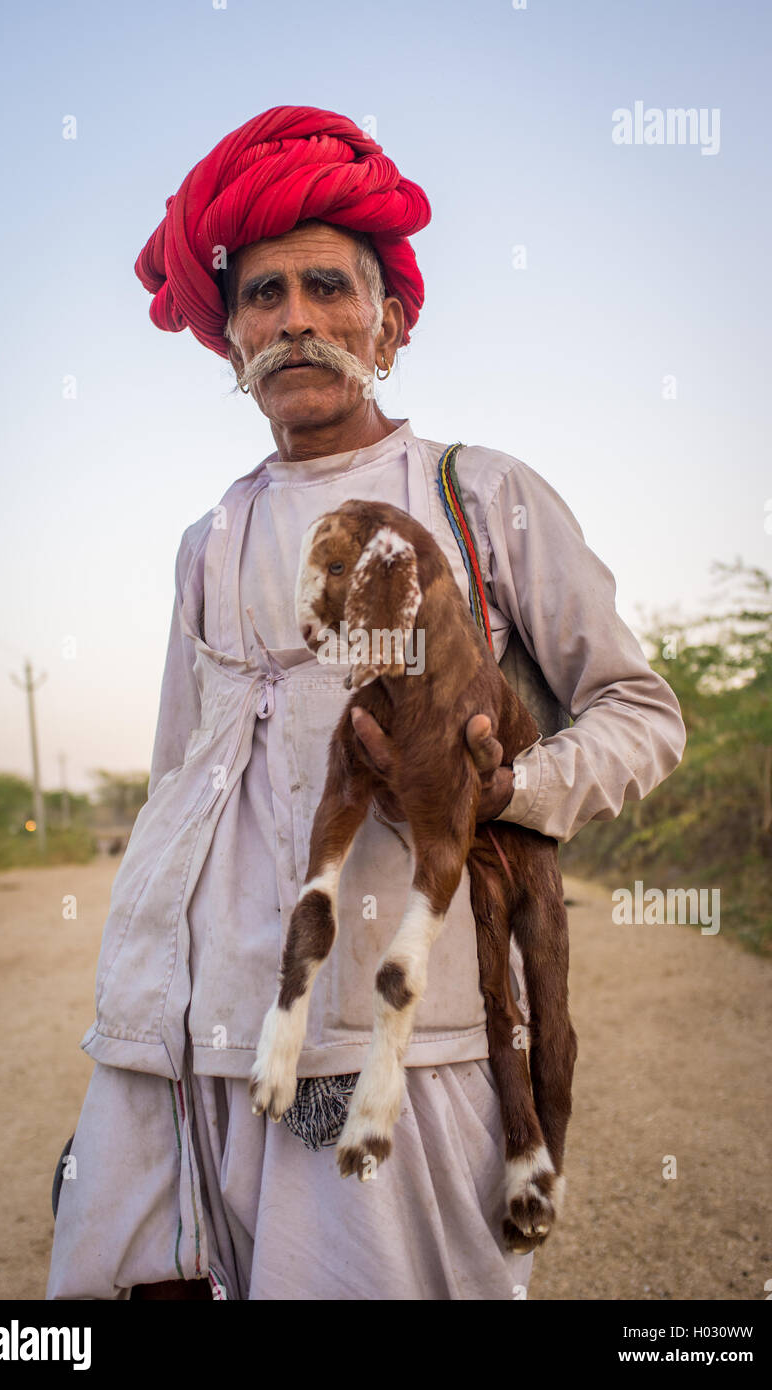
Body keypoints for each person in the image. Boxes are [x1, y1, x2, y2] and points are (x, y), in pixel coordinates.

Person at [46, 105, 686, 1301]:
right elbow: (177, 772)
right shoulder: (208, 539)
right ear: (227, 335)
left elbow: (641, 710)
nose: (295, 318)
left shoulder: (481, 495)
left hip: (408, 1035)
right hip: (193, 1038)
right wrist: (149, 1004)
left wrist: (513, 786)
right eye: (263, 294)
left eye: (329, 288)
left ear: (388, 324)